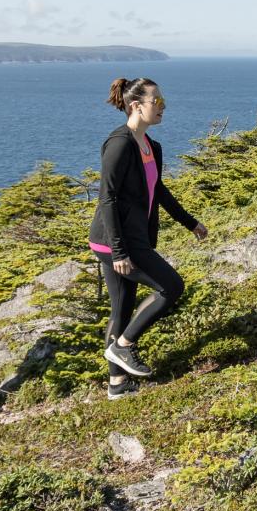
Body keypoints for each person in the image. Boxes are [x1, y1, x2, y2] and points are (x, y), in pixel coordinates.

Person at [89, 77, 208, 399]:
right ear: (135, 106)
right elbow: (107, 199)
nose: (163, 106)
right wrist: (119, 252)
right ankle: (123, 345)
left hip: (131, 237)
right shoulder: (119, 144)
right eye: (157, 101)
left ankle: (117, 384)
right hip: (114, 241)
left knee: (122, 308)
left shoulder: (151, 146)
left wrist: (189, 222)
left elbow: (159, 190)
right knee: (171, 287)